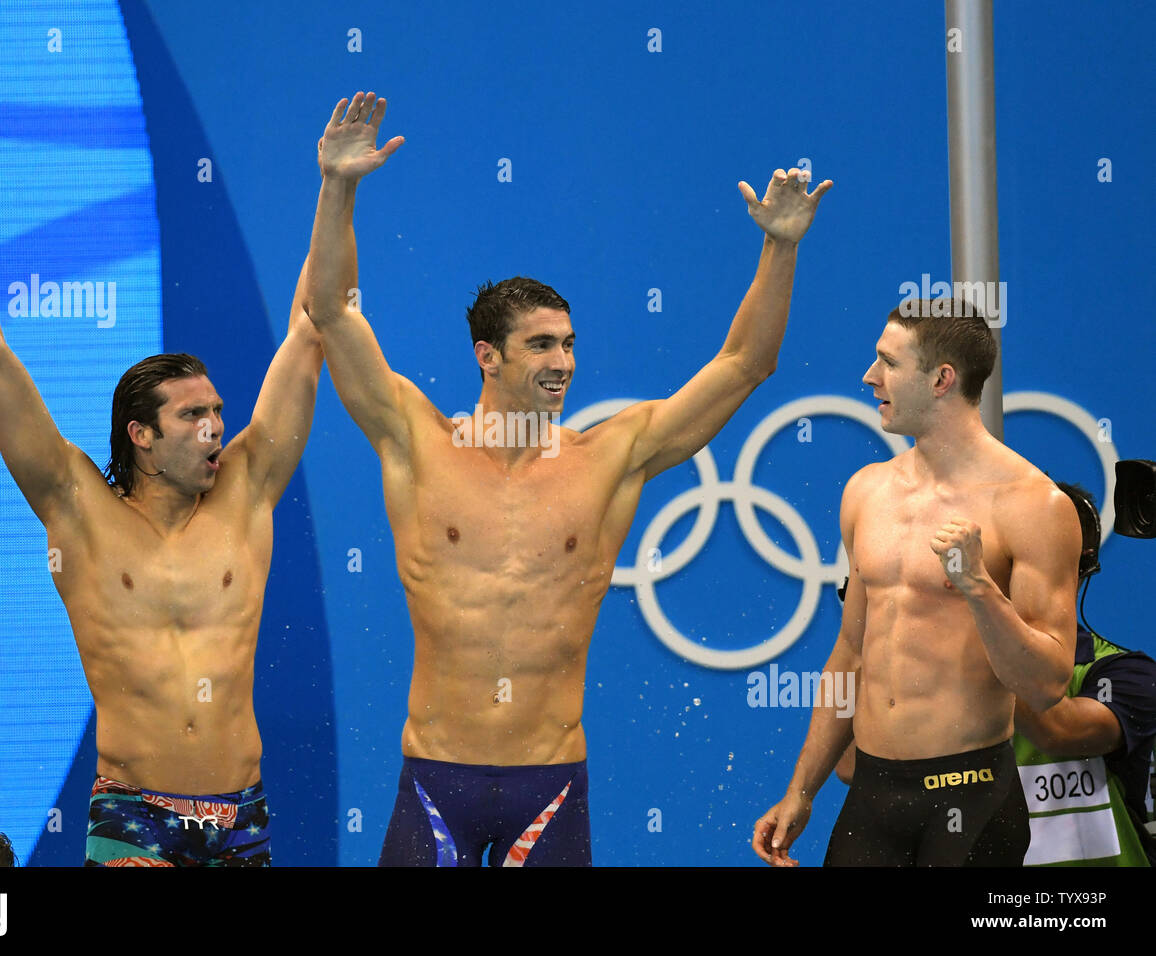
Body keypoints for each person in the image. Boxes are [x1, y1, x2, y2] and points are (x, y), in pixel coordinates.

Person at [304, 91, 832, 866]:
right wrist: (339, 187)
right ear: (489, 356)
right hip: (434, 778)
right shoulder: (416, 440)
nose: (565, 363)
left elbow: (745, 364)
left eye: (570, 344)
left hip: (549, 785)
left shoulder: (610, 456)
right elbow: (332, 315)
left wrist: (780, 249)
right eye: (542, 346)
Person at [0, 158, 324, 866]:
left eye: (219, 413)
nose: (216, 428)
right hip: (134, 818)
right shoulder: (78, 509)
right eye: (194, 416)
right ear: (141, 435)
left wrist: (336, 187)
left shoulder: (248, 490)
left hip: (242, 816)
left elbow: (313, 331)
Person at [753, 298, 1079, 867]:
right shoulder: (867, 491)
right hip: (874, 795)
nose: (869, 376)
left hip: (973, 796)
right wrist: (802, 789)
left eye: (888, 363)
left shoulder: (1032, 506)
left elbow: (1047, 683)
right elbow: (849, 655)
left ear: (941, 379)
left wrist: (979, 588)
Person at [1012, 481, 1156, 866]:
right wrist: (860, 642)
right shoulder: (950, 680)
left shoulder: (1128, 675)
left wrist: (975, 622)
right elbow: (851, 767)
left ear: (1074, 570)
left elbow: (1059, 732)